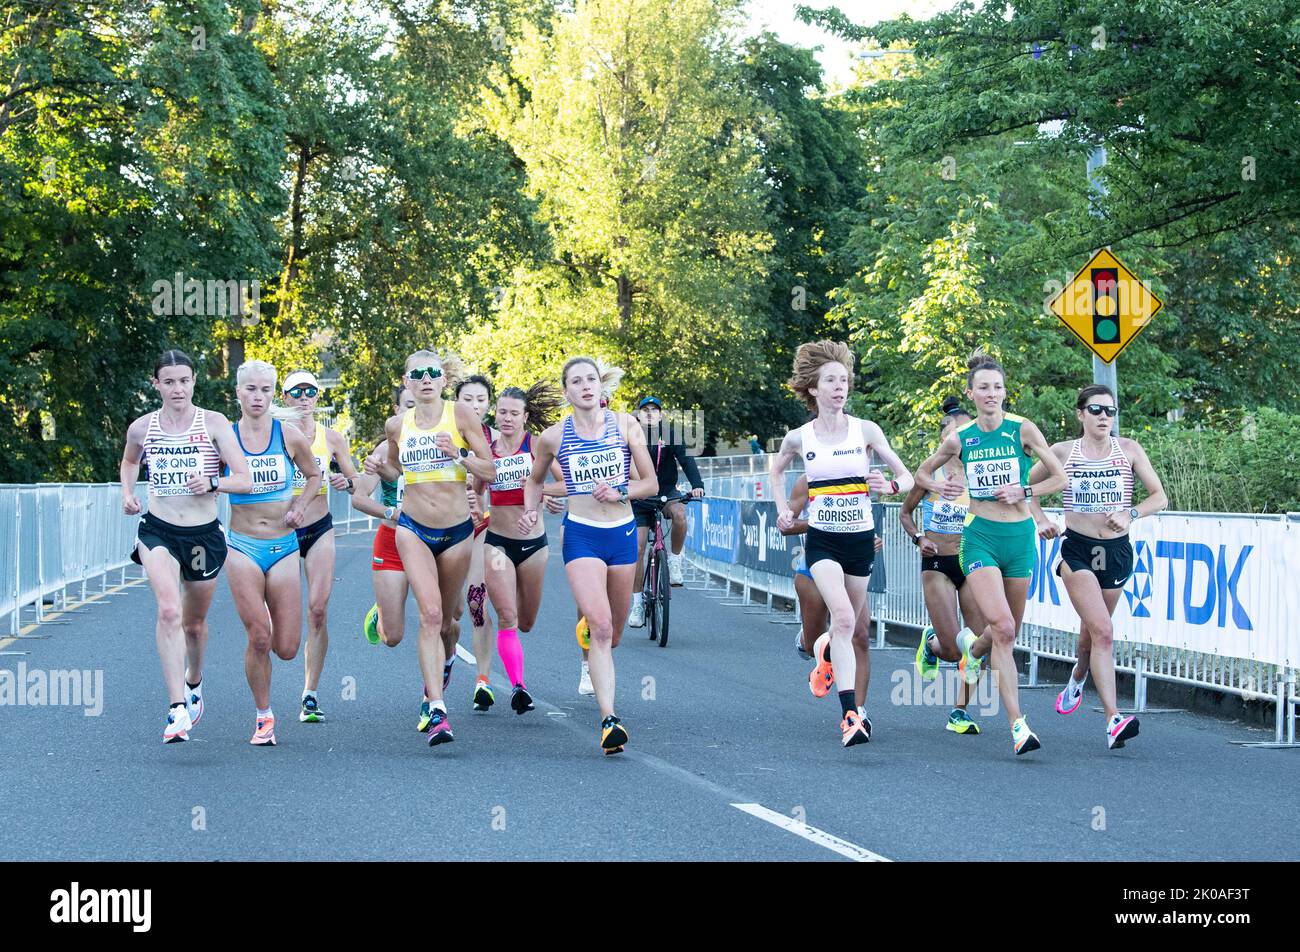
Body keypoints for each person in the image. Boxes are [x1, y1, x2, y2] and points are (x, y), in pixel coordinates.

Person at [914, 351, 1067, 756]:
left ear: (1004, 391)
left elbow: (1060, 476)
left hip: (1019, 540)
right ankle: (1018, 724)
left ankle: (972, 656)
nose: (991, 394)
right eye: (983, 387)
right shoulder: (960, 439)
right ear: (971, 393)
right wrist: (937, 486)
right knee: (1001, 625)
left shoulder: (1023, 430)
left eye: (997, 387)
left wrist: (1025, 491)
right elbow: (921, 474)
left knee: (1004, 633)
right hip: (979, 537)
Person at [771, 340, 913, 749]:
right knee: (846, 619)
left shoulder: (866, 431)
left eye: (844, 380)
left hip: (860, 542)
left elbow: (907, 478)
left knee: (850, 629)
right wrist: (784, 511)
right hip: (822, 542)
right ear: (813, 389)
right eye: (830, 380)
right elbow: (776, 471)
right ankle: (851, 714)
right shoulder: (800, 437)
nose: (839, 387)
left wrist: (887, 485)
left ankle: (823, 653)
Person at [521, 358, 657, 754]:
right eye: (576, 381)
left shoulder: (625, 425)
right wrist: (533, 508)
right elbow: (534, 481)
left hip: (623, 533)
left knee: (612, 635)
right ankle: (609, 720)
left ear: (600, 387)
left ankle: (592, 628)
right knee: (600, 627)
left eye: (591, 380)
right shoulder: (553, 437)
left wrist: (620, 492)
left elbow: (647, 483)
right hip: (580, 534)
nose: (585, 386)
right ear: (566, 392)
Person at [120, 350, 251, 743]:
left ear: (194, 382)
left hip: (203, 535)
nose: (178, 388)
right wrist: (128, 493)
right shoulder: (142, 428)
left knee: (193, 625)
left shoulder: (214, 424)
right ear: (156, 384)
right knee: (168, 610)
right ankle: (176, 708)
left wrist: (213, 483)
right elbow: (129, 462)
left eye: (184, 380)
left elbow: (243, 478)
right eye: (169, 381)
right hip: (158, 530)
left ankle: (194, 683)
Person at [1029, 383, 1168, 750]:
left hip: (1118, 552)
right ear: (1080, 414)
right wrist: (1040, 519)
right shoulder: (1062, 452)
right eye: (1096, 410)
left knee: (1093, 632)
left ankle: (1078, 675)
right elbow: (1026, 488)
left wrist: (1130, 512)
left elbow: (1160, 496)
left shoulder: (1129, 450)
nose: (1105, 417)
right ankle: (1113, 719)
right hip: (1078, 550)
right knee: (1104, 631)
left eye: (1110, 411)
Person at [369, 350, 496, 746]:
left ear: (443, 380)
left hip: (457, 531)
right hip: (412, 529)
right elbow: (395, 469)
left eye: (433, 374)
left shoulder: (460, 415)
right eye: (417, 374)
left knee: (449, 621)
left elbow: (491, 469)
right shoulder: (396, 425)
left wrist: (457, 455)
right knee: (430, 615)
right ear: (407, 382)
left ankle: (448, 658)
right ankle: (437, 708)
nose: (425, 379)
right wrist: (371, 473)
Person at [224, 361, 322, 746]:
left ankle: (269, 629)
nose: (258, 397)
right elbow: (203, 480)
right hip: (242, 546)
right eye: (250, 389)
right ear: (238, 393)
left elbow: (314, 475)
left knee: (286, 647)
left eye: (265, 390)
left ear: (272, 393)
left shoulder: (289, 435)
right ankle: (264, 716)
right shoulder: (225, 438)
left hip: (282, 547)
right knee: (259, 638)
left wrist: (300, 506)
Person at [898, 397, 987, 734]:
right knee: (952, 650)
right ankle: (934, 642)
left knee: (979, 643)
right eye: (951, 432)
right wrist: (919, 538)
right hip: (937, 563)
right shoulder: (930, 472)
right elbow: (905, 513)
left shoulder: (981, 470)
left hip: (974, 562)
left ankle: (960, 712)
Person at [476, 382, 565, 715]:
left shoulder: (537, 445)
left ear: (526, 416)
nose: (508, 418)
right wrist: (474, 505)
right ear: (495, 414)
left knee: (526, 621)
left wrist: (544, 497)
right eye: (502, 412)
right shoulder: (487, 449)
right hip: (497, 541)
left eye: (514, 413)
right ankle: (518, 687)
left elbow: (563, 483)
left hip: (534, 546)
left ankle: (516, 679)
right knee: (508, 617)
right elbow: (477, 489)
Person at [282, 369, 361, 724]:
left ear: (317, 397)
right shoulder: (273, 434)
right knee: (279, 621)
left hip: (318, 526)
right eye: (295, 391)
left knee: (317, 609)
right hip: (278, 530)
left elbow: (357, 482)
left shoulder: (331, 438)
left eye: (309, 391)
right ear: (284, 397)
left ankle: (309, 694)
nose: (303, 396)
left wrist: (346, 480)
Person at [779, 474, 880, 719]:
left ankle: (856, 711)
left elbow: (863, 519)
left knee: (860, 636)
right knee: (816, 646)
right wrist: (821, 522)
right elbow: (787, 527)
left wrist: (870, 539)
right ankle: (806, 640)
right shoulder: (808, 480)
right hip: (816, 564)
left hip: (853, 564)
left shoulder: (863, 477)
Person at [628, 395, 705, 627]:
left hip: (666, 492)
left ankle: (674, 560)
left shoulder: (670, 434)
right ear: (639, 414)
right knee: (638, 549)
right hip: (640, 495)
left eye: (654, 409)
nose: (650, 413)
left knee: (680, 514)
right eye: (645, 409)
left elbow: (686, 460)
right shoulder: (631, 435)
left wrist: (697, 485)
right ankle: (638, 604)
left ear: (661, 414)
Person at [354, 386, 416, 649]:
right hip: (392, 537)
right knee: (392, 637)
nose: (413, 412)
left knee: (441, 616)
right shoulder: (382, 450)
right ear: (397, 410)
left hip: (429, 538)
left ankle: (433, 687)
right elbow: (359, 497)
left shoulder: (437, 444)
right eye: (408, 405)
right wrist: (392, 513)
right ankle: (381, 610)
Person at [454, 374, 500, 711]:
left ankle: (482, 679)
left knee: (476, 602)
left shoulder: (500, 439)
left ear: (489, 404)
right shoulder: (442, 433)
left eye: (481, 399)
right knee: (450, 611)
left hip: (481, 526)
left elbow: (515, 479)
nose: (474, 405)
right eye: (467, 399)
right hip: (446, 526)